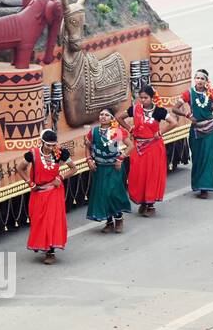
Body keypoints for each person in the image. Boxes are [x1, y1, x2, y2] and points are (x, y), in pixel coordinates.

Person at [19, 129, 72, 264]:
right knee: (39, 220)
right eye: (47, 145)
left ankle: (50, 252)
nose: (50, 148)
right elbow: (20, 168)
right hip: (38, 192)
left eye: (53, 145)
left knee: (52, 221)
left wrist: (60, 177)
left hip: (54, 191)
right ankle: (42, 244)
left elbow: (73, 168)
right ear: (41, 142)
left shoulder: (60, 153)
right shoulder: (32, 154)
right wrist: (30, 183)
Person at [123, 85, 170, 216]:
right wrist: (129, 128)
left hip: (153, 147)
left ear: (152, 98)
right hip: (138, 146)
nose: (143, 100)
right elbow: (119, 117)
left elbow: (174, 122)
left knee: (151, 174)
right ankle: (142, 201)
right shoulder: (135, 109)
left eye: (146, 98)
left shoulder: (159, 111)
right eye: (141, 98)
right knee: (138, 174)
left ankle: (150, 204)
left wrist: (160, 132)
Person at [85, 108, 132, 233]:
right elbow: (87, 147)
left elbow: (131, 146)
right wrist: (89, 160)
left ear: (112, 118)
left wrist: (120, 159)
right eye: (101, 114)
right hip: (99, 168)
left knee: (113, 193)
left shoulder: (117, 131)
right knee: (102, 194)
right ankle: (109, 222)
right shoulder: (94, 131)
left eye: (106, 115)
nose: (103, 117)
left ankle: (119, 218)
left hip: (113, 168)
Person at [177, 69, 213, 199]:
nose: (199, 81)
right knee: (197, 158)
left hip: (210, 129)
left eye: (202, 79)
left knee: (209, 158)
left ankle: (205, 188)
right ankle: (198, 185)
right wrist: (188, 114)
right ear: (194, 79)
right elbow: (175, 108)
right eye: (197, 78)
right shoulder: (188, 94)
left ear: (206, 81)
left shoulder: (211, 93)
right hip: (196, 130)